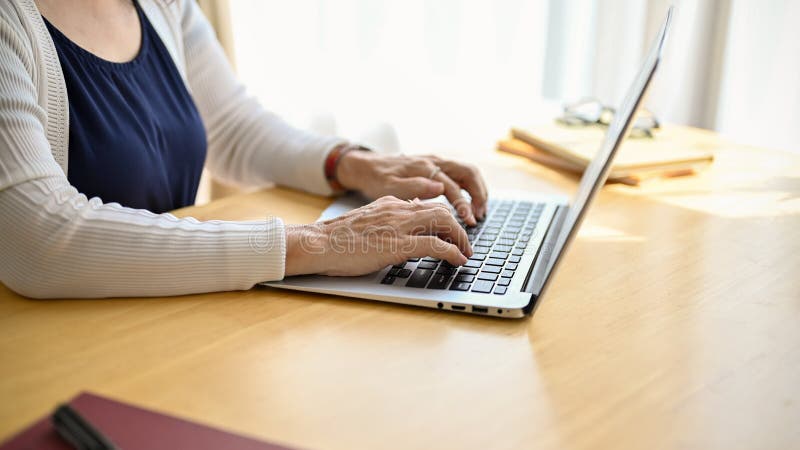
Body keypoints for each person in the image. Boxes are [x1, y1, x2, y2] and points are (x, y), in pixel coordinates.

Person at [0, 0, 487, 298]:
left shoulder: (163, 4)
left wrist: (352, 164)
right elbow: (38, 237)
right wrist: (316, 242)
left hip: (164, 315)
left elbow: (231, 125)